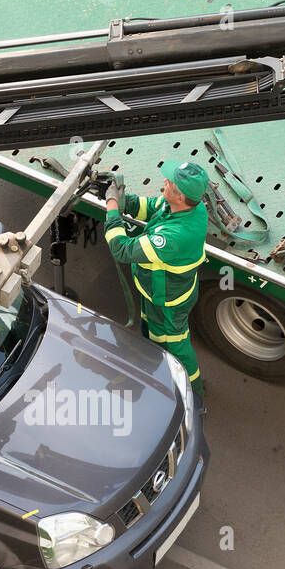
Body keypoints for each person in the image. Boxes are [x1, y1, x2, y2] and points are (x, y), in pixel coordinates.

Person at [104, 160, 210, 395]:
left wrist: (112, 205)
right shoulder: (189, 206)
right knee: (152, 337)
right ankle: (155, 373)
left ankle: (193, 395)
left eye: (170, 182)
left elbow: (121, 249)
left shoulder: (175, 237)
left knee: (175, 345)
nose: (165, 182)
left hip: (167, 300)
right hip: (156, 292)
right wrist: (123, 199)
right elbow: (152, 207)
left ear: (180, 196)